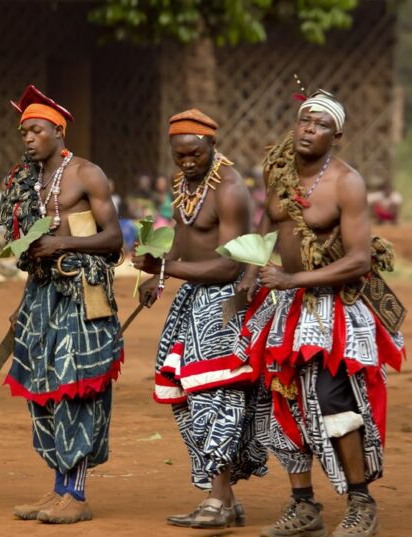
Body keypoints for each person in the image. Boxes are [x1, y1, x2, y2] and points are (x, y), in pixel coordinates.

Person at [235, 91, 405, 537]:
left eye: (320, 123)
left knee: (334, 401)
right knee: (280, 400)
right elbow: (266, 227)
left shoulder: (346, 183)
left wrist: (293, 280)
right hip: (285, 307)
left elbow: (359, 260)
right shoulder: (281, 174)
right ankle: (304, 505)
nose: (309, 128)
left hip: (334, 306)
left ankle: (361, 502)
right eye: (304, 120)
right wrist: (253, 272)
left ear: (337, 135)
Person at [133, 109, 267, 529]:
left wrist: (165, 271)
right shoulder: (184, 185)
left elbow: (230, 266)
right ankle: (222, 496)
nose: (187, 162)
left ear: (212, 145)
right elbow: (185, 243)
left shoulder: (229, 190)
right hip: (193, 298)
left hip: (226, 301)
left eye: (194, 154)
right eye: (179, 156)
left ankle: (219, 499)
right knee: (182, 390)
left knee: (217, 392)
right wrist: (158, 266)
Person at [0, 84, 123, 524]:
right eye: (23, 132)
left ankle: (78, 494)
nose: (28, 139)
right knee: (43, 389)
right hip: (42, 294)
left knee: (77, 386)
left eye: (36, 131)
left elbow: (114, 240)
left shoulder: (87, 173)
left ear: (58, 131)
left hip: (82, 293)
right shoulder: (26, 183)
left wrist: (62, 243)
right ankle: (58, 490)